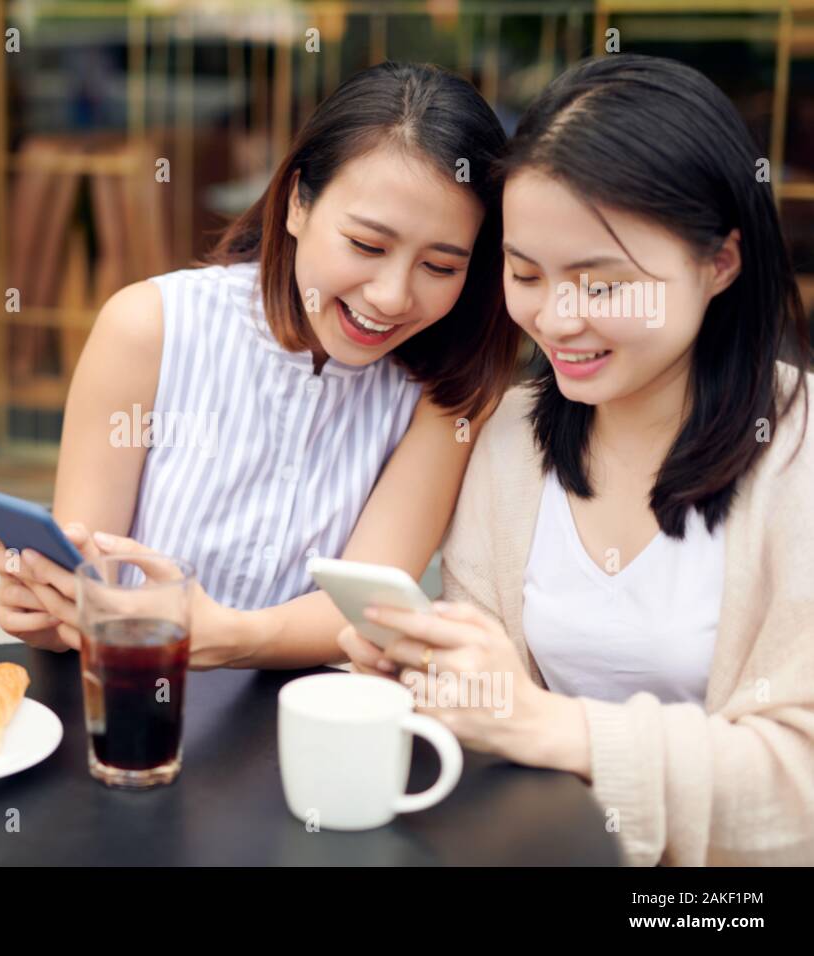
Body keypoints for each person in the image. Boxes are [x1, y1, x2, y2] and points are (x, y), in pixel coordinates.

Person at [340, 54, 814, 865]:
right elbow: (488, 719)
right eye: (525, 273)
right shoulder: (512, 438)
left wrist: (547, 723)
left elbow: (797, 790)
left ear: (720, 263)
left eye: (602, 285)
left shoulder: (797, 453)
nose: (556, 319)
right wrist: (423, 679)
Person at [0, 61, 519, 669]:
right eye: (368, 245)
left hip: (302, 730)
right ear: (296, 204)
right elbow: (81, 588)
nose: (393, 296)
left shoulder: (445, 393)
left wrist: (223, 633)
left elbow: (367, 609)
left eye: (441, 267)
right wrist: (46, 609)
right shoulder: (148, 329)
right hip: (134, 708)